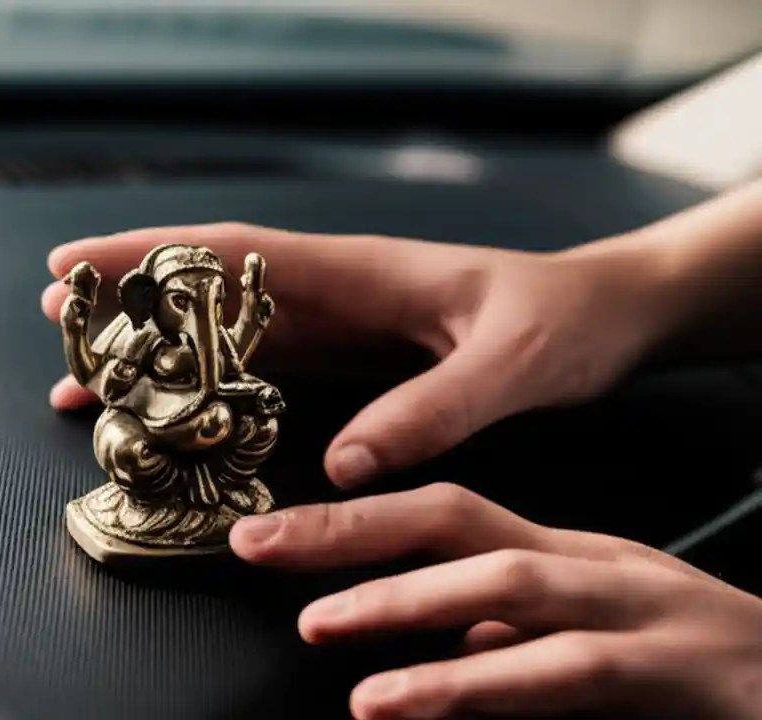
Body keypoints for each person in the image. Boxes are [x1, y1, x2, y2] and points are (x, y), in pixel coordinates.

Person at [40, 178, 762, 719]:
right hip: (158, 433)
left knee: (255, 427)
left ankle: (205, 491)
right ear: (151, 300)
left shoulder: (210, 330)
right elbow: (103, 379)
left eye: (204, 296)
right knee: (124, 442)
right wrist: (651, 281)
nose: (195, 309)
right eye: (182, 297)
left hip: (207, 434)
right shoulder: (138, 332)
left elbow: (230, 367)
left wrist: (245, 328)